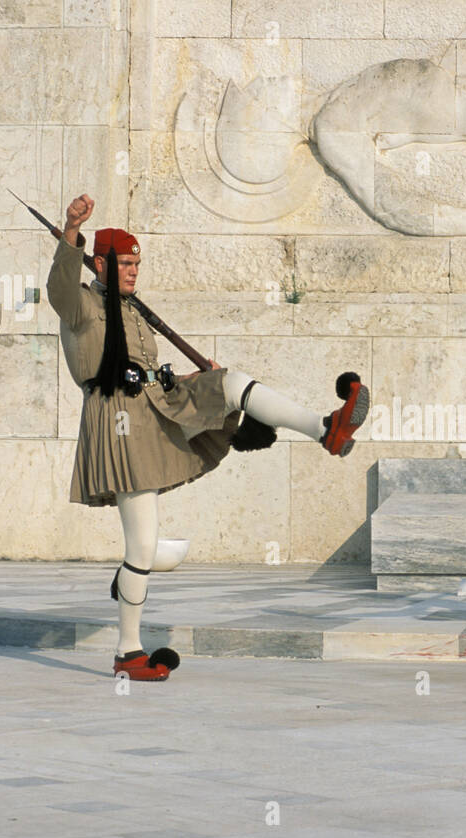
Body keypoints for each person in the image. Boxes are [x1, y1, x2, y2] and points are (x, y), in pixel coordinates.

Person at [46, 193, 369, 681]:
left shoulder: (132, 309)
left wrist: (205, 387)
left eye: (138, 263)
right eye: (126, 263)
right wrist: (71, 229)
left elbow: (150, 369)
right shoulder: (82, 305)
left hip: (156, 405)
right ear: (100, 263)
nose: (134, 271)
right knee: (142, 548)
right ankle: (128, 650)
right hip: (118, 421)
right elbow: (58, 284)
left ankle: (325, 429)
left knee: (231, 383)